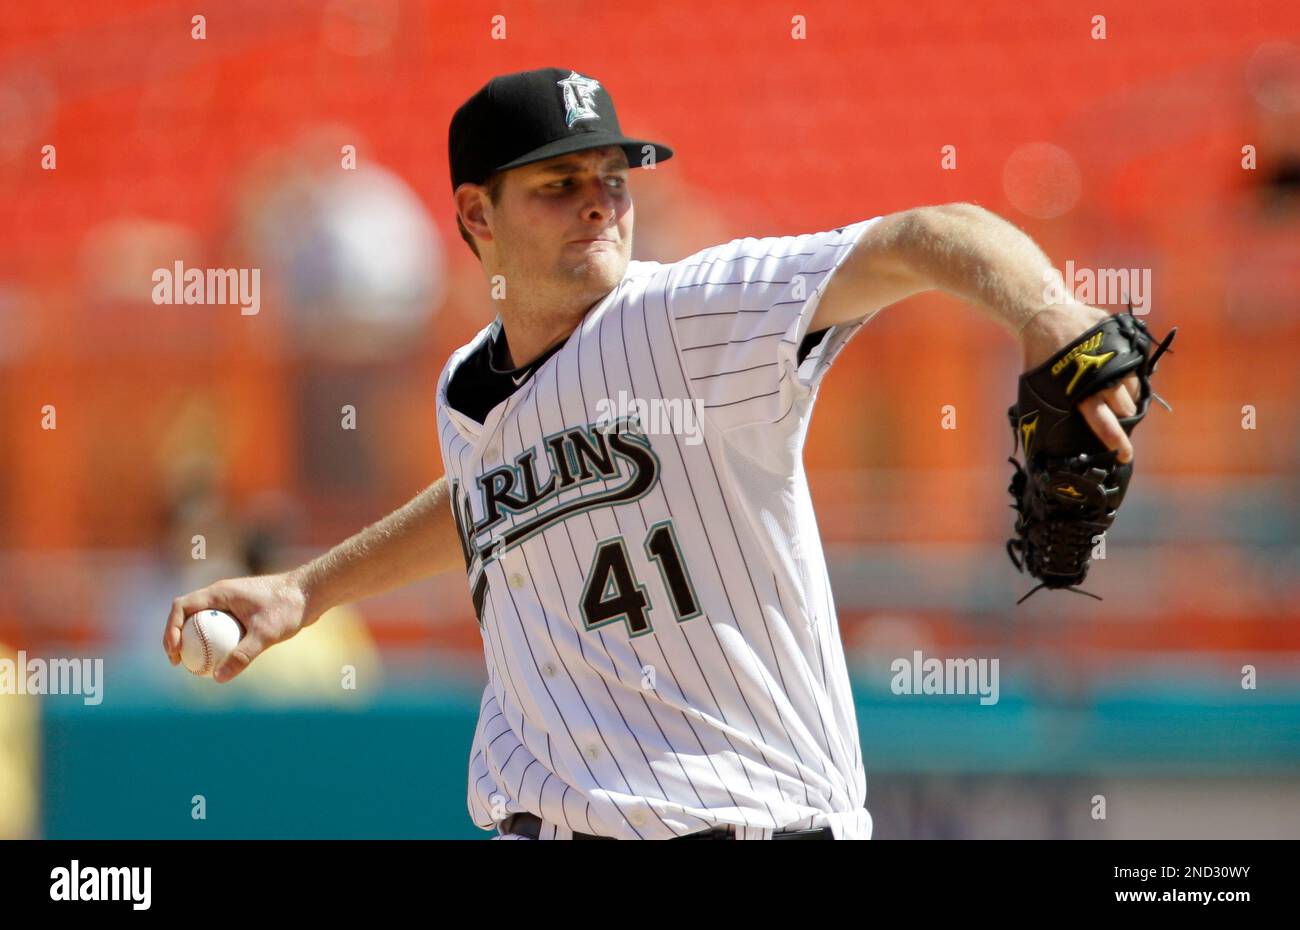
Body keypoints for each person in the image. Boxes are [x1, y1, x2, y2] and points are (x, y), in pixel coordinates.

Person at [163, 67, 1139, 840]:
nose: (599, 205)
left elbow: (927, 235)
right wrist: (308, 590)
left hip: (744, 817)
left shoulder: (687, 314)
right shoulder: (467, 388)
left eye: (614, 181)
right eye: (559, 185)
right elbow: (486, 503)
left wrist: (1049, 312)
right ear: (474, 216)